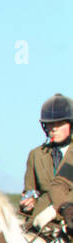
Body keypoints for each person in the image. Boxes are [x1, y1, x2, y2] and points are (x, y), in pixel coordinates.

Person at [20, 93, 72, 234]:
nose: (53, 128)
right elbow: (30, 191)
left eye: (60, 124)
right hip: (40, 224)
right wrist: (27, 204)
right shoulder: (36, 155)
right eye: (50, 124)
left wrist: (55, 209)